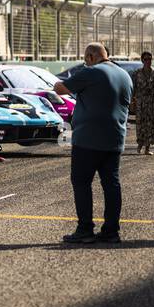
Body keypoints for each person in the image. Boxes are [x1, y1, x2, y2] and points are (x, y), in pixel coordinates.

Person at [53, 43, 133, 245]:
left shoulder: (92, 72)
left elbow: (59, 88)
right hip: (114, 138)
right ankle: (111, 231)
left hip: (88, 138)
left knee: (81, 182)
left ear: (90, 56)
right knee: (111, 185)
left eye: (85, 59)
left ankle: (85, 229)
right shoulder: (125, 76)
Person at [131, 51, 154, 155]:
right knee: (140, 123)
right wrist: (132, 101)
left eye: (150, 59)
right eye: (146, 59)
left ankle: (147, 148)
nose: (148, 61)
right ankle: (140, 144)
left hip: (152, 101)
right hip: (140, 101)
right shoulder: (137, 73)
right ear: (142, 60)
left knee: (151, 124)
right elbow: (133, 89)